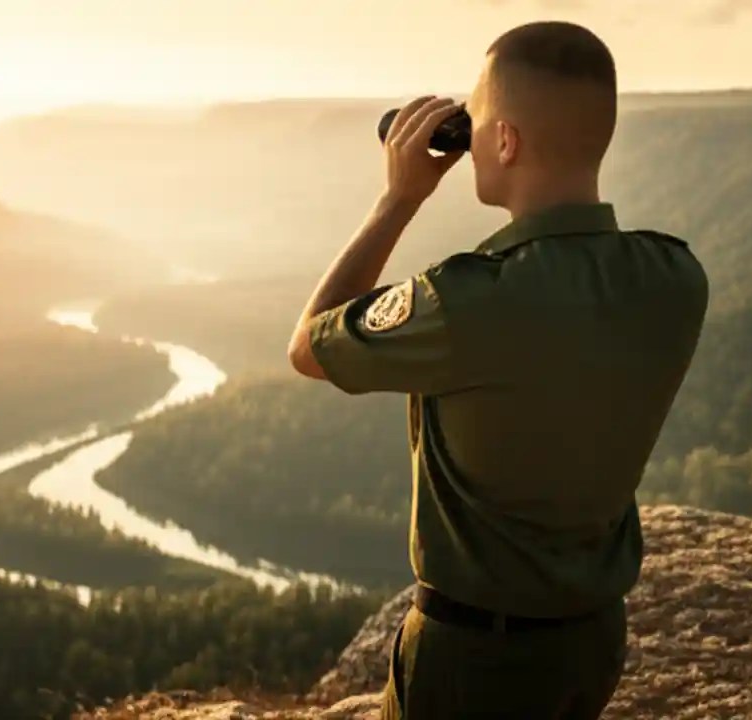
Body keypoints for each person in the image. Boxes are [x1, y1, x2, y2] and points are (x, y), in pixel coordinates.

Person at [286, 21, 709, 719]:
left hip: (473, 658)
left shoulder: (467, 301)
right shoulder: (674, 276)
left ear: (505, 141)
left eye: (477, 123)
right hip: (593, 641)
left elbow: (309, 345)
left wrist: (399, 198)